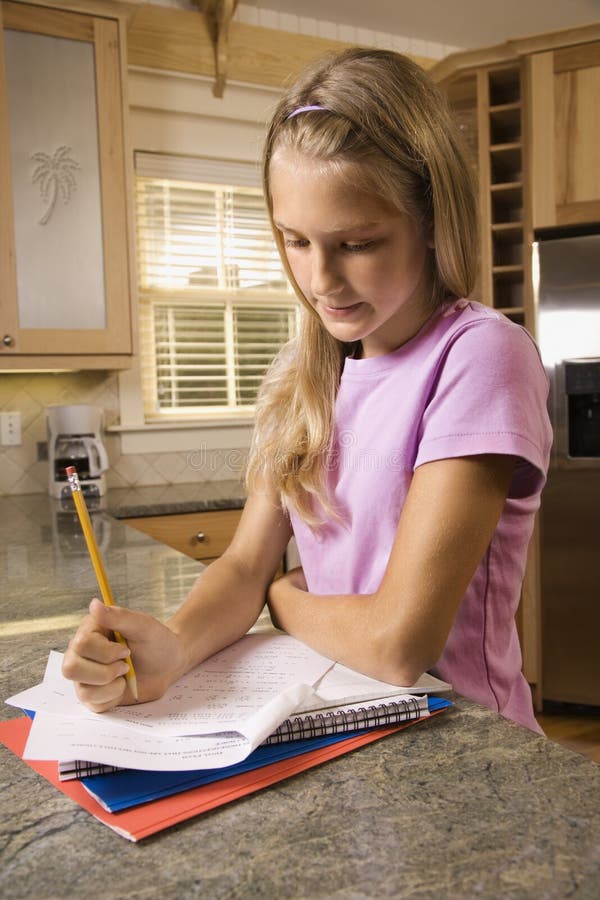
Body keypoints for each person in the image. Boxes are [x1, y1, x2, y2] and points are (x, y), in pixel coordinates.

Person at [62, 48, 552, 733]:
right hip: (334, 724)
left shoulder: (479, 356)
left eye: (356, 243)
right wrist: (171, 647)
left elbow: (396, 644)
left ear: (433, 221)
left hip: (469, 743)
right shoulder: (301, 371)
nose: (320, 279)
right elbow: (243, 568)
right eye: (295, 241)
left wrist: (286, 600)